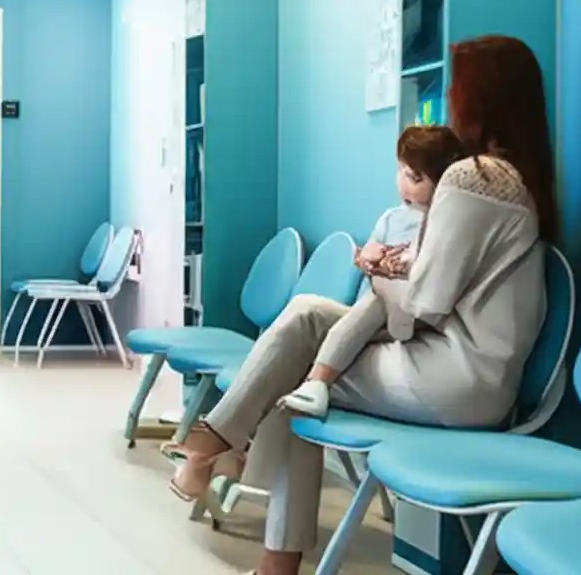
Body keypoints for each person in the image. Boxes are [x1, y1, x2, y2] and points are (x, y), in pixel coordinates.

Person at [167, 34, 558, 575]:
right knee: (308, 312)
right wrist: (395, 272)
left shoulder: (475, 177)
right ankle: (217, 446)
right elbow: (433, 277)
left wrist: (377, 274)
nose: (448, 96)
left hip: (455, 375)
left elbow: (425, 304)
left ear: (482, 96)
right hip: (460, 366)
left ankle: (234, 482)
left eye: (457, 86)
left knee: (297, 378)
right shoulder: (514, 179)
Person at [280, 125, 463, 419]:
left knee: (380, 297)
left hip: (404, 317)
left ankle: (319, 380)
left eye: (415, 177)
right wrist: (368, 258)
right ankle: (313, 385)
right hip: (365, 314)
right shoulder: (391, 219)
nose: (404, 183)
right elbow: (366, 256)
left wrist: (395, 270)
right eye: (401, 171)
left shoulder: (443, 225)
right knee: (364, 300)